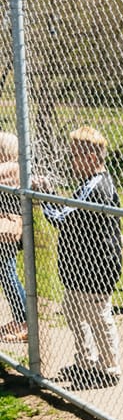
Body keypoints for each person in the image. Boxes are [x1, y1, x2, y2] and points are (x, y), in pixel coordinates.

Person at [38, 127, 122, 389]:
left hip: (96, 267)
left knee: (98, 317)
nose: (72, 161)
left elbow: (62, 218)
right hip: (80, 268)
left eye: (75, 155)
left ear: (91, 157)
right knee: (75, 312)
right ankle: (86, 362)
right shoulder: (89, 183)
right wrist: (49, 194)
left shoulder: (97, 185)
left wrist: (43, 198)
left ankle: (109, 369)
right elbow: (69, 212)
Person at [0, 132, 27, 343]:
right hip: (6, 226)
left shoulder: (11, 168)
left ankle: (24, 321)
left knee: (8, 274)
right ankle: (21, 318)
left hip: (7, 229)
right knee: (6, 274)